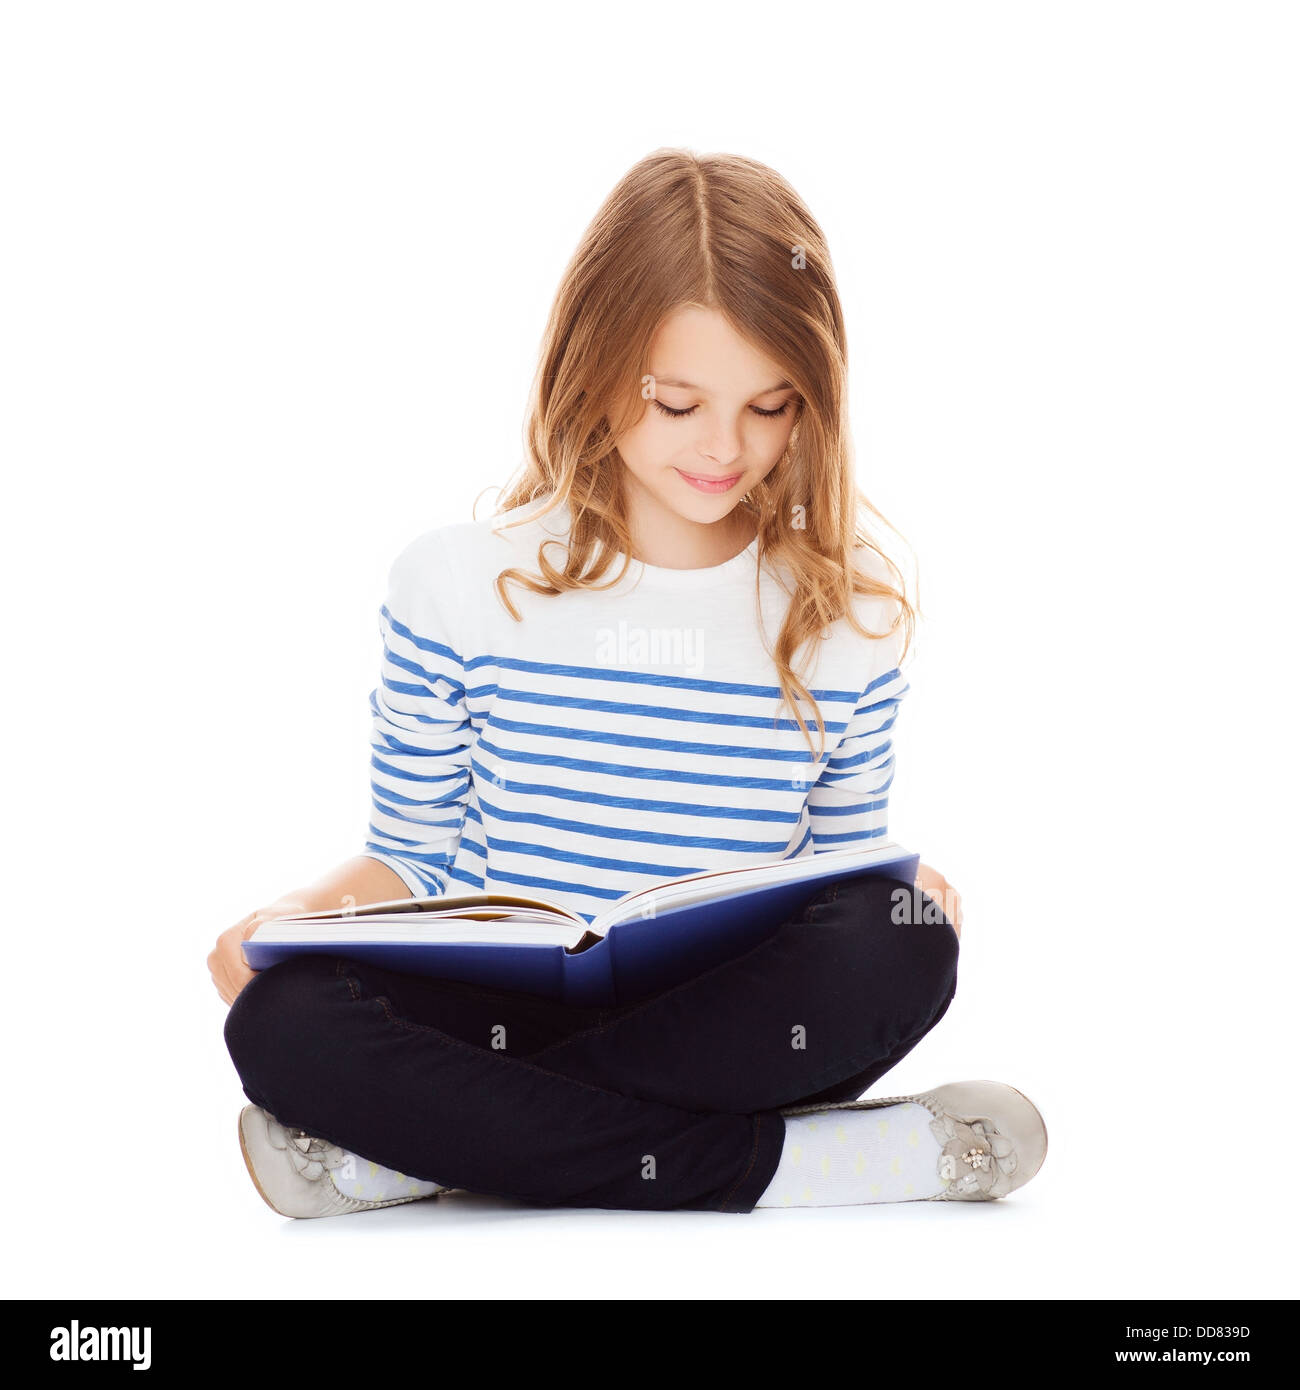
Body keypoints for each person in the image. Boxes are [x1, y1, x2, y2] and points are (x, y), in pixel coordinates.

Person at [209, 148, 1047, 1218]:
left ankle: (418, 1152)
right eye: (679, 403)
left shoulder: (851, 613)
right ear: (594, 368)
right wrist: (293, 918)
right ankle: (803, 1168)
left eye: (770, 405)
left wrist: (909, 905)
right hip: (489, 1013)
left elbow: (839, 882)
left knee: (901, 941)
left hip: (716, 1031)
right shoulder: (457, 582)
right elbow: (410, 854)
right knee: (283, 1022)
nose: (724, 449)